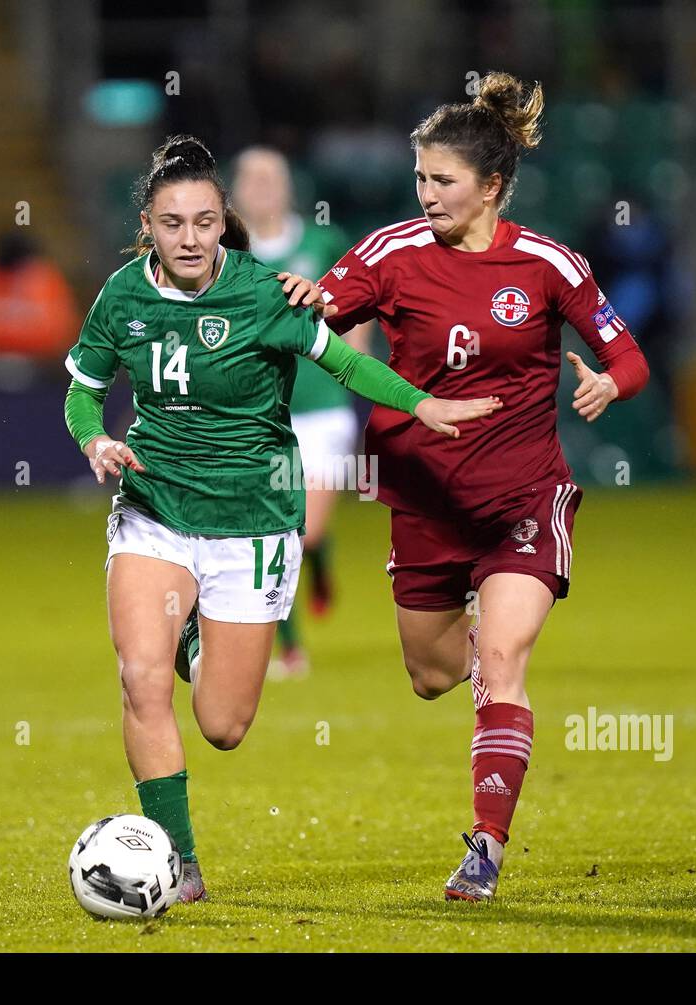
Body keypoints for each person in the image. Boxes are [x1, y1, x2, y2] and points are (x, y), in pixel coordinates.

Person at [63, 135, 501, 903]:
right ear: (149, 225)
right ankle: (181, 863)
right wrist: (95, 437)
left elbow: (346, 362)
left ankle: (194, 634)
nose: (189, 238)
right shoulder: (122, 295)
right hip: (154, 510)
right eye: (172, 223)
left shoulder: (267, 294)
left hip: (253, 522)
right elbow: (82, 388)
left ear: (222, 221)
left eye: (204, 221)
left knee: (224, 724)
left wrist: (419, 402)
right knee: (139, 679)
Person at [297, 72, 651, 901]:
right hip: (422, 499)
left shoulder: (547, 263)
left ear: (491, 185)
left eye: (442, 180)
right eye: (420, 178)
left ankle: (485, 847)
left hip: (523, 498)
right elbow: (325, 313)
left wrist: (609, 383)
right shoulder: (389, 253)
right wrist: (305, 302)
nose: (426, 194)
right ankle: (497, 686)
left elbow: (628, 355)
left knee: (499, 657)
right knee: (429, 673)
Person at [232, 146, 373, 677]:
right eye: (253, 178)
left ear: (288, 186)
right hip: (262, 414)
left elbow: (356, 305)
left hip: (321, 411)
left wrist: (354, 362)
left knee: (304, 533)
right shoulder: (231, 253)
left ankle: (320, 559)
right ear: (238, 189)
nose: (263, 187)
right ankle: (290, 649)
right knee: (275, 531)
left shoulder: (322, 241)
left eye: (272, 177)